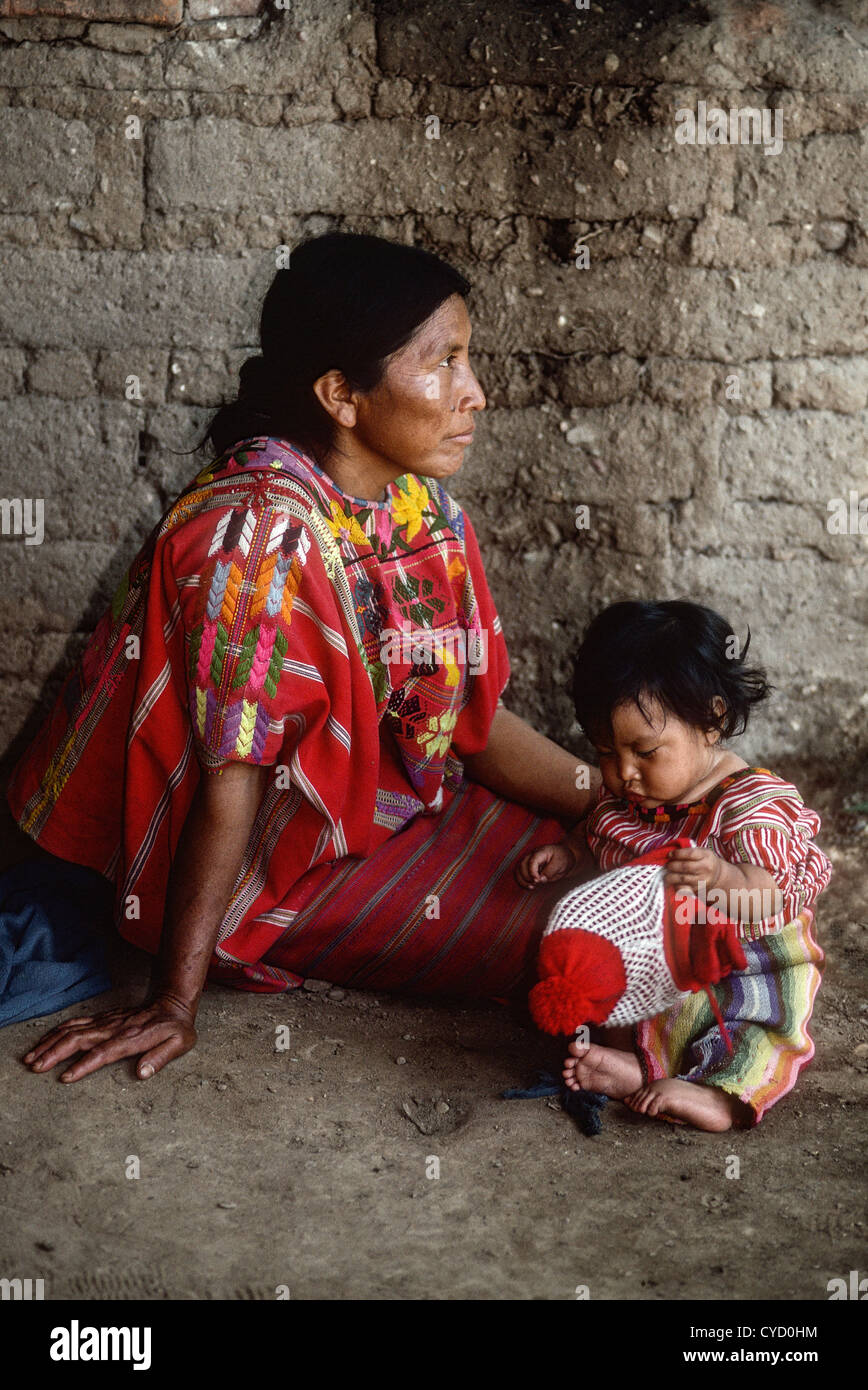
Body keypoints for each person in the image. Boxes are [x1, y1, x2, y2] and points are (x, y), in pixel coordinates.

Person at [10, 231, 600, 1085]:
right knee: (620, 930)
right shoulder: (259, 537)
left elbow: (466, 728)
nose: (473, 394)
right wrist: (176, 1000)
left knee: (654, 853)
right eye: (445, 363)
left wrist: (624, 799)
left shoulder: (423, 512)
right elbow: (232, 774)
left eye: (469, 361)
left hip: (404, 812)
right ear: (341, 394)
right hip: (273, 869)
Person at [516, 600, 832, 1132]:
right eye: (605, 753)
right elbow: (600, 828)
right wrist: (571, 852)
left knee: (755, 1022)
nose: (625, 773)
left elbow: (769, 896)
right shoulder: (627, 799)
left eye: (645, 751)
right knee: (614, 983)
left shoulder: (750, 804)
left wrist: (722, 878)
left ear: (712, 720)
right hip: (665, 955)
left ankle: (723, 1093)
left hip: (740, 955)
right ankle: (641, 1066)